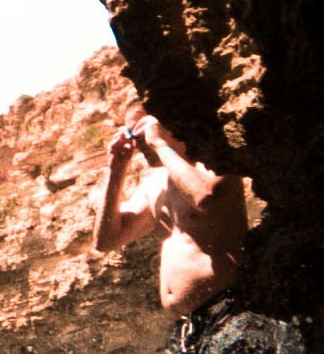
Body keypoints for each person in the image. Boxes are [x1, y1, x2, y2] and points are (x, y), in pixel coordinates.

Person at [93, 98, 250, 329]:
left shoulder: (210, 163)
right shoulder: (154, 184)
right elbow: (105, 241)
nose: (139, 143)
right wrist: (116, 168)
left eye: (141, 130)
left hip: (230, 306)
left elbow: (204, 196)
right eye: (133, 134)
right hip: (187, 324)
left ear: (167, 123)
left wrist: (158, 142)